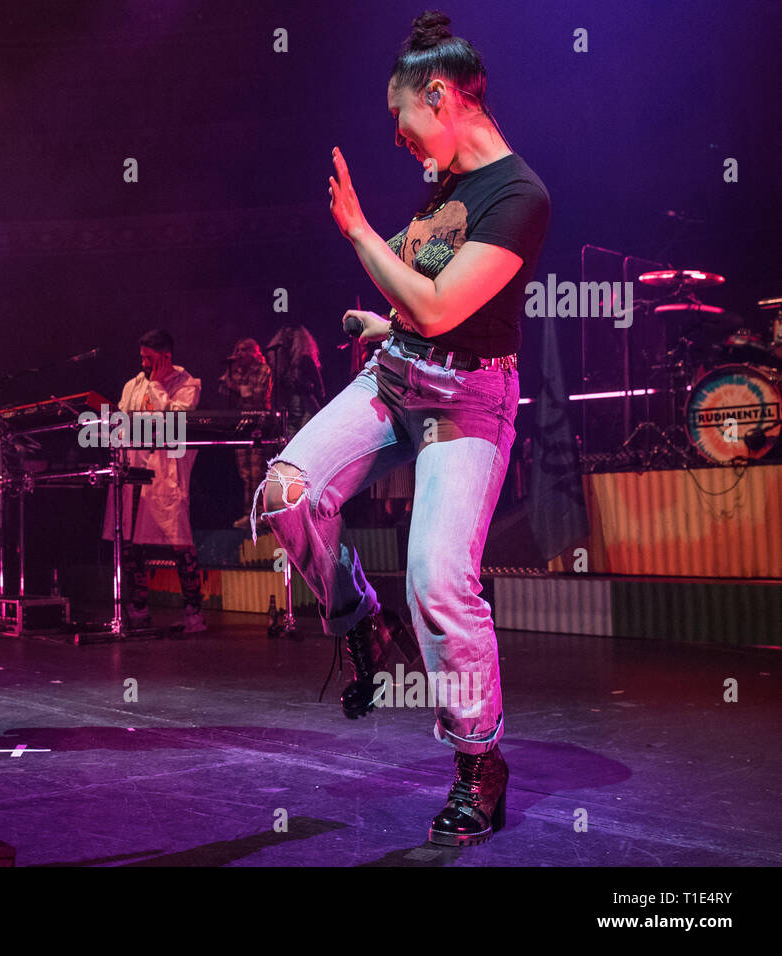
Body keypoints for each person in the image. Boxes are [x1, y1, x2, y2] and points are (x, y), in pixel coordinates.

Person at [252, 11, 550, 846]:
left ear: (441, 96)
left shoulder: (521, 196)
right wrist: (382, 322)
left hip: (467, 404)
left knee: (439, 584)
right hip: (395, 379)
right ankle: (358, 621)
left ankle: (478, 761)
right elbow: (415, 291)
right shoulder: (446, 185)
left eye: (403, 120)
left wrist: (354, 233)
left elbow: (439, 302)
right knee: (285, 493)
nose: (397, 138)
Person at [102, 329, 205, 632]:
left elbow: (174, 422)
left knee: (179, 543)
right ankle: (138, 607)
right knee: (131, 540)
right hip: (134, 469)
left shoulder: (188, 384)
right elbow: (121, 424)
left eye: (149, 358)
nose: (144, 364)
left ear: (166, 357)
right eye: (143, 358)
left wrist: (158, 387)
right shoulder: (133, 385)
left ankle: (194, 611)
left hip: (166, 472)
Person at [218, 337, 272, 527]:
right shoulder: (237, 371)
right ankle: (249, 513)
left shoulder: (265, 371)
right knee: (245, 472)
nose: (239, 354)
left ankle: (263, 513)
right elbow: (223, 391)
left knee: (258, 470)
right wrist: (230, 373)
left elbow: (257, 395)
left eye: (243, 350)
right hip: (240, 427)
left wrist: (237, 388)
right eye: (237, 350)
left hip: (259, 426)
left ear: (254, 352)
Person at [265, 325, 325, 435]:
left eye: (290, 336)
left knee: (304, 438)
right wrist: (273, 410)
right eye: (284, 336)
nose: (287, 339)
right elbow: (275, 390)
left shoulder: (305, 360)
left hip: (306, 408)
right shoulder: (280, 363)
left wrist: (304, 385)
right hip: (289, 411)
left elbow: (320, 388)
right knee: (291, 441)